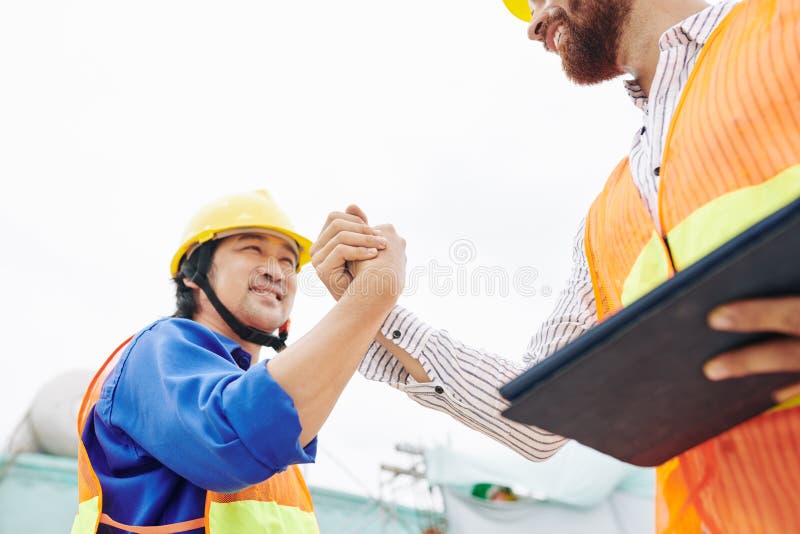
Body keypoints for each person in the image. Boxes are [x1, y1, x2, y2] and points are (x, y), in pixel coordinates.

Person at [311, 0, 800, 532]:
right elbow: (538, 423)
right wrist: (374, 311)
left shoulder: (785, 33)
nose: (534, 23)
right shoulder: (610, 219)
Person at [71, 189, 405, 534]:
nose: (276, 271)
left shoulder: (281, 449)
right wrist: (370, 298)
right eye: (252, 248)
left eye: (289, 261)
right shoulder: (156, 352)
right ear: (193, 271)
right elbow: (234, 440)